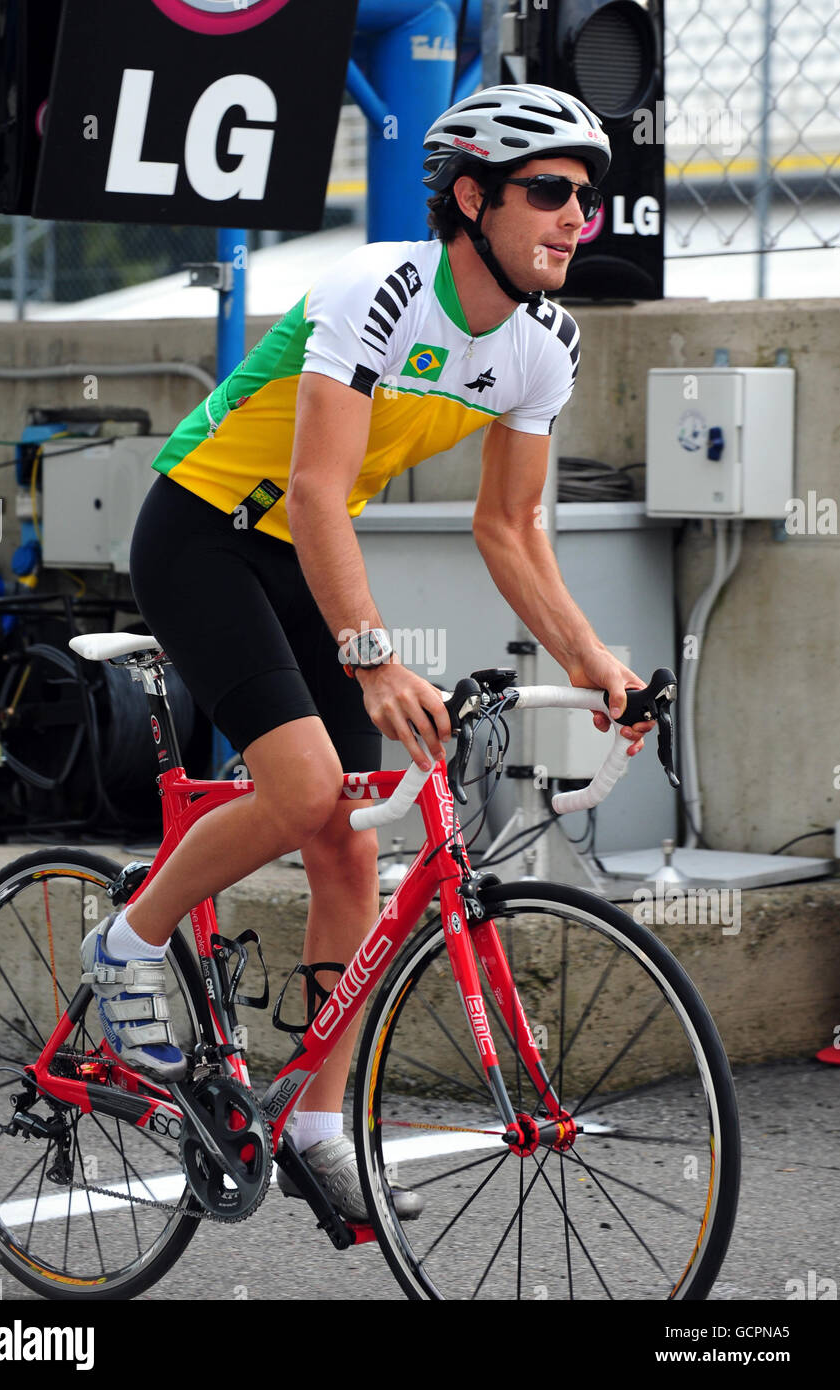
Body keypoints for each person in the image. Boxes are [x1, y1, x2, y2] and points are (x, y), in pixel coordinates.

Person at [80, 83, 656, 1222]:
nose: (574, 219)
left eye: (586, 200)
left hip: (302, 557)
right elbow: (316, 487)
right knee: (302, 789)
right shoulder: (381, 289)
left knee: (350, 838)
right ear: (471, 197)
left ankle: (315, 1119)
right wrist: (376, 655)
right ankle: (127, 941)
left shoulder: (545, 347)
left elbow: (510, 530)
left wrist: (599, 662)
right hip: (204, 528)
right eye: (549, 193)